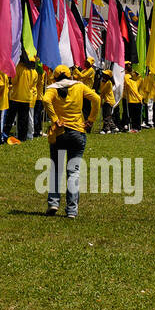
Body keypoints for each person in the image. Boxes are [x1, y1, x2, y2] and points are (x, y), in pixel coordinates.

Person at [44, 64, 101, 218]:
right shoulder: (79, 86)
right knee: (73, 172)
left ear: (55, 77)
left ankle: (54, 203)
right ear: (70, 75)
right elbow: (96, 98)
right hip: (77, 132)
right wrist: (91, 119)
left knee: (56, 169)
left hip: (59, 134)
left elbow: (45, 100)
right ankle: (71, 210)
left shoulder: (52, 88)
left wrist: (55, 119)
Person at [9, 58, 39, 143]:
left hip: (17, 96)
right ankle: (26, 135)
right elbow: (33, 85)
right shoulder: (34, 72)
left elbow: (14, 81)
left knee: (17, 117)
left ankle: (21, 134)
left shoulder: (19, 68)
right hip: (29, 97)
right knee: (27, 118)